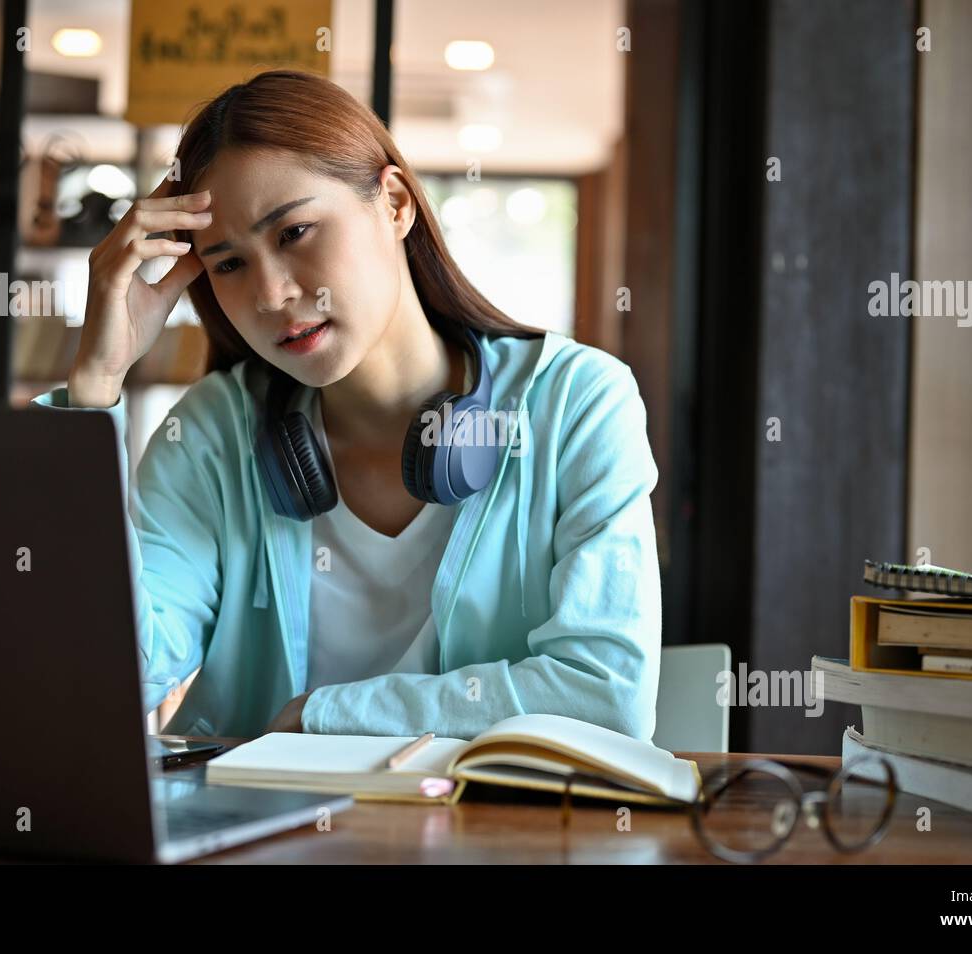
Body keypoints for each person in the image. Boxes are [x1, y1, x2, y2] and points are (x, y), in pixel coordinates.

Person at [33, 69, 662, 741]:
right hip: (259, 836)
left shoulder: (577, 403)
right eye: (230, 265)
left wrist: (328, 715)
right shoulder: (214, 432)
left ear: (394, 204)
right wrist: (97, 382)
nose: (271, 295)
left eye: (294, 232)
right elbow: (109, 676)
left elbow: (606, 696)